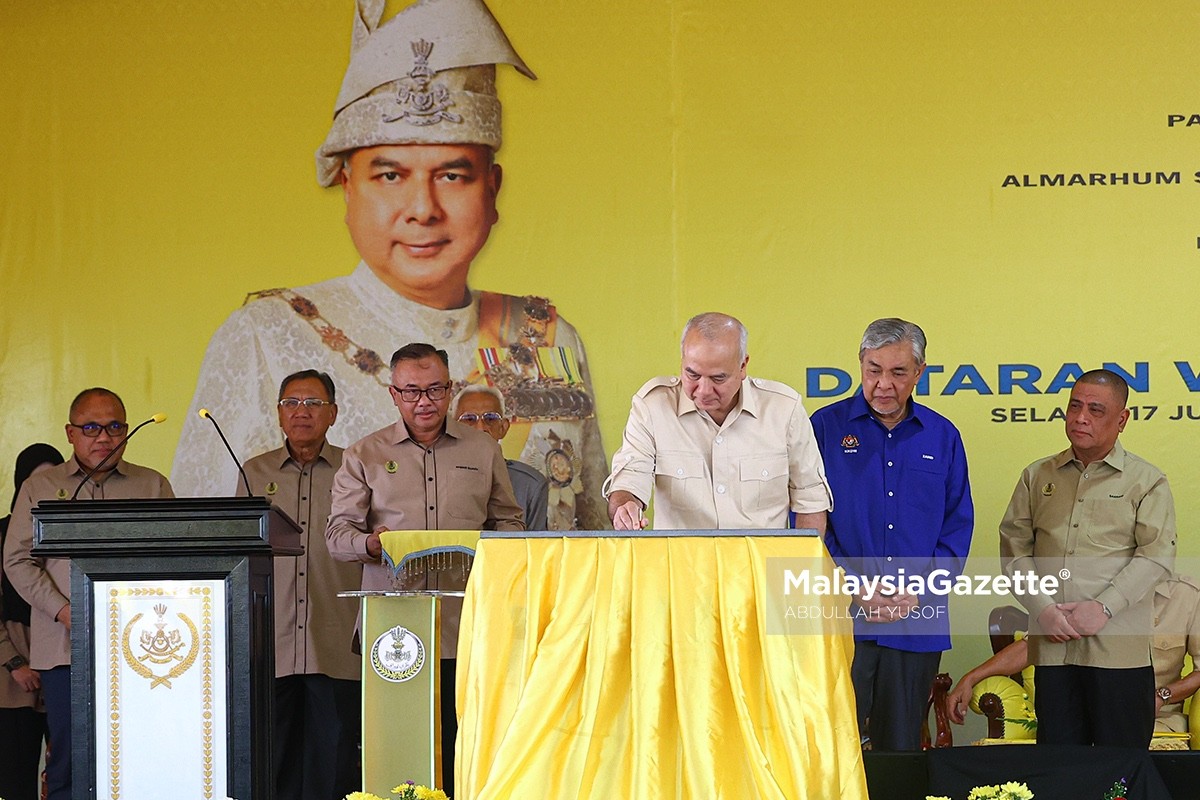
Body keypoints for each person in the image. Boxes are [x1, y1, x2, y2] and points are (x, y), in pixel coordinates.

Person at [171, 0, 608, 531]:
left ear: (491, 191)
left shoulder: (546, 337)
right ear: (348, 187)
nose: (422, 209)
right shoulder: (265, 334)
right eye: (390, 176)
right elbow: (202, 527)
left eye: (452, 176)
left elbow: (587, 525)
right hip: (343, 606)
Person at [326, 342, 523, 796]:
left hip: (469, 625)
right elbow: (337, 537)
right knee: (396, 748)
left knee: (467, 745)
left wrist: (495, 550)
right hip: (395, 634)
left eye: (434, 390)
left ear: (450, 390)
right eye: (411, 391)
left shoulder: (483, 448)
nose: (424, 401)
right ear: (393, 394)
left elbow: (509, 523)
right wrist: (372, 545)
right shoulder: (364, 454)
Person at [809, 318, 974, 751]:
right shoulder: (823, 429)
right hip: (843, 622)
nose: (884, 384)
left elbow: (957, 529)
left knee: (901, 751)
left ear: (919, 372)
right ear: (860, 365)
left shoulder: (943, 436)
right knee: (832, 748)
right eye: (873, 369)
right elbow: (806, 526)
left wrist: (917, 592)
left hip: (916, 622)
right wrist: (855, 588)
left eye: (898, 372)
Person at [3, 389, 173, 800]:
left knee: (139, 757)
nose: (104, 438)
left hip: (143, 650)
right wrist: (64, 611)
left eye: (115, 427)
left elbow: (174, 562)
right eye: (91, 428)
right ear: (70, 433)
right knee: (69, 762)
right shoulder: (39, 486)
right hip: (64, 650)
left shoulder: (152, 485)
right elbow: (17, 561)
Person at [1000, 368, 1176, 748]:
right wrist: (1042, 608)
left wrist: (1105, 608)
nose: (1081, 418)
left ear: (1122, 419)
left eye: (1096, 410)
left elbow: (1156, 556)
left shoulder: (1147, 480)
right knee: (1060, 767)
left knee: (1120, 769)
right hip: (1053, 649)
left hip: (1118, 654)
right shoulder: (1037, 476)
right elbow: (1014, 550)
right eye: (1075, 406)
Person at [238, 370, 362, 800]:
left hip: (337, 639)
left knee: (336, 765)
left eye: (312, 403)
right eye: (291, 403)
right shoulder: (254, 473)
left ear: (332, 413)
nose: (301, 412)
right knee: (274, 764)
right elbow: (240, 556)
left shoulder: (356, 466)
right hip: (271, 642)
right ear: (278, 413)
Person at [603, 312, 831, 531]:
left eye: (718, 378)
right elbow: (629, 479)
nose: (703, 390)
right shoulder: (653, 406)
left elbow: (810, 500)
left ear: (743, 366)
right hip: (684, 567)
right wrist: (626, 507)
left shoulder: (783, 410)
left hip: (760, 566)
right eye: (692, 374)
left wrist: (802, 569)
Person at [946, 574, 1200, 736]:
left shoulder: (1187, 596)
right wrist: (970, 677)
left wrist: (1161, 697)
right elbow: (1031, 647)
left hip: (1152, 720)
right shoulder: (1082, 589)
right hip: (1080, 719)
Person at [0, 444, 63, 800]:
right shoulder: (4, 535)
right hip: (14, 678)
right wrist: (15, 664)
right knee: (16, 776)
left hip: (60, 661)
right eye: (31, 482)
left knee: (64, 771)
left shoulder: (67, 534)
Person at [451, 385, 549, 530]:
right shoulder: (436, 478)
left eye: (490, 418)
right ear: (452, 428)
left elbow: (536, 549)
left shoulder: (530, 484)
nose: (480, 428)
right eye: (469, 419)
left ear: (503, 427)